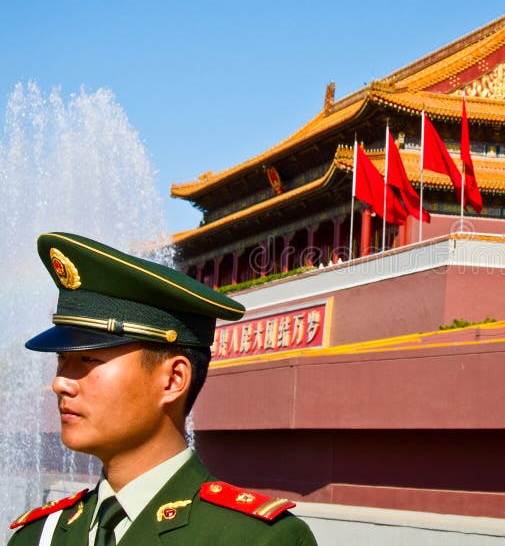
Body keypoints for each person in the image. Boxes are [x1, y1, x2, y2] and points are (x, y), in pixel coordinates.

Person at [8, 232, 317, 545]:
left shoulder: (256, 539)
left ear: (173, 380)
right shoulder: (38, 536)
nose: (60, 382)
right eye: (62, 360)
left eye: (88, 359)